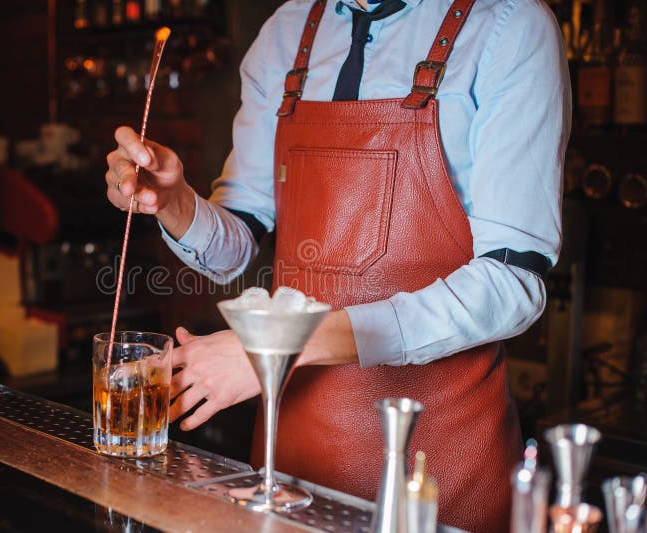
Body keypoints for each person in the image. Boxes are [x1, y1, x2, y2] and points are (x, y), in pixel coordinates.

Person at [106, 0, 570, 530]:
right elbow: (236, 247)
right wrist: (175, 203)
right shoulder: (285, 30)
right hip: (286, 471)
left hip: (436, 472)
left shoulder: (508, 24)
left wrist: (280, 344)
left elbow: (513, 283)